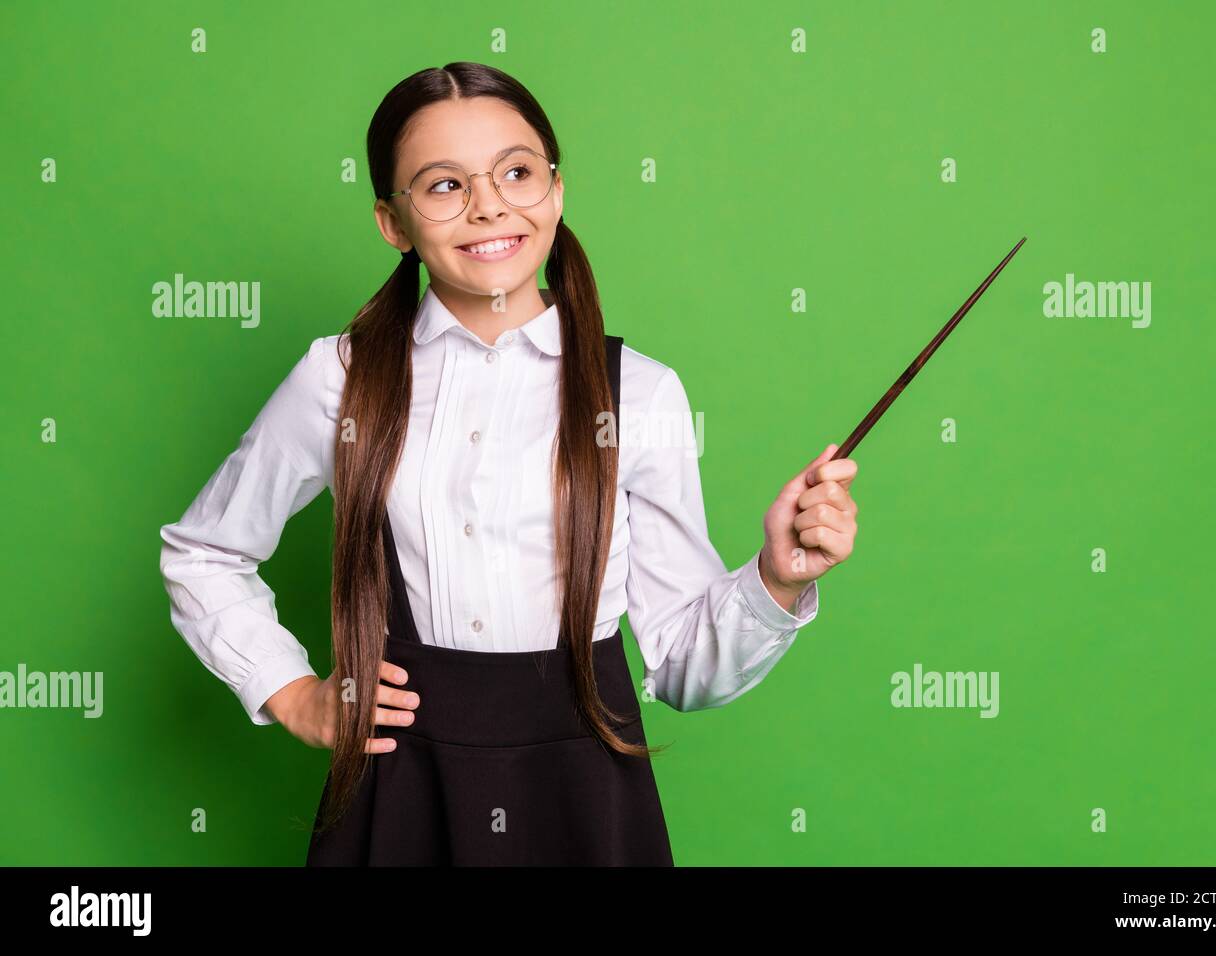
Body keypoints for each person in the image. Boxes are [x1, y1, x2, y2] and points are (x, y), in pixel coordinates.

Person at [158, 62, 859, 866]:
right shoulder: (341, 378)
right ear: (393, 222)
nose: (489, 204)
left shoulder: (641, 391)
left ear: (556, 191)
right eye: (444, 185)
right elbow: (204, 551)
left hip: (587, 796)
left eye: (516, 173)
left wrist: (779, 578)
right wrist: (290, 691)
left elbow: (682, 666)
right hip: (399, 791)